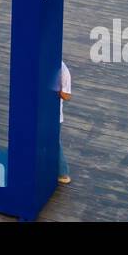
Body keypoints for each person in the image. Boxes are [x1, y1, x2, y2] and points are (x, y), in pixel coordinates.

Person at [56, 57, 72, 186]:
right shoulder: (62, 68)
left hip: (54, 115)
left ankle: (63, 173)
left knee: (55, 143)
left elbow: (67, 95)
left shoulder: (63, 70)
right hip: (52, 114)